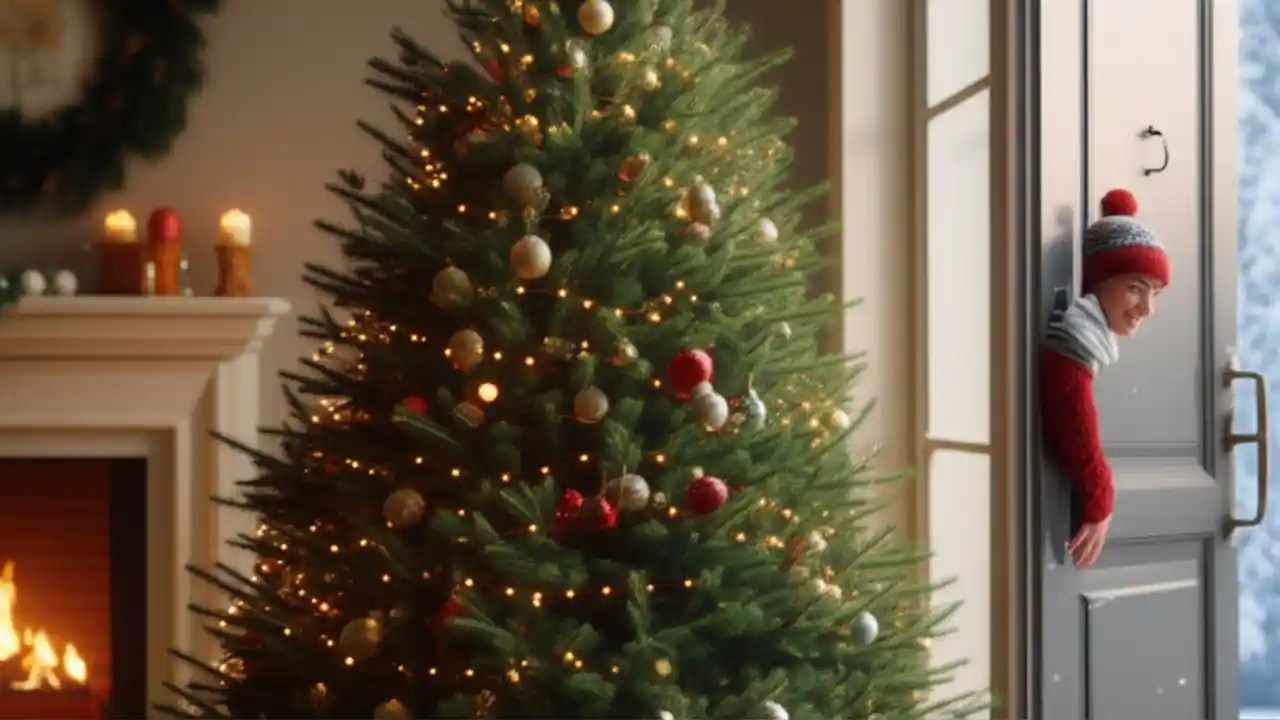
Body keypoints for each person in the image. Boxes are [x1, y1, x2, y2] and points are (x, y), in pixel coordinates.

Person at [1040, 188, 1170, 567]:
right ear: (1097, 281)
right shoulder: (1072, 345)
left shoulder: (1088, 339)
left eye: (1156, 293)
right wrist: (1100, 496)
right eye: (1135, 289)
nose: (1147, 308)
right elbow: (1069, 398)